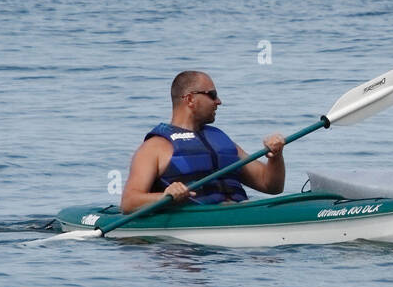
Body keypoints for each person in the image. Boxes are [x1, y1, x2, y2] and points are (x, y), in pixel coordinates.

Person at [120, 71, 286, 212]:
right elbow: (128, 202)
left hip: (239, 212)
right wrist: (165, 196)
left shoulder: (221, 141)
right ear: (190, 99)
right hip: (195, 225)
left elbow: (271, 186)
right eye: (212, 95)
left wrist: (276, 156)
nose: (219, 101)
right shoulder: (155, 147)